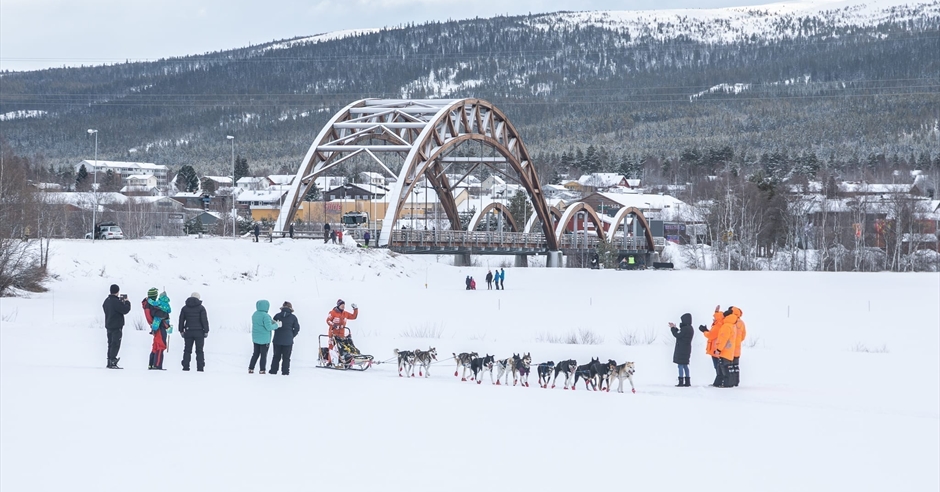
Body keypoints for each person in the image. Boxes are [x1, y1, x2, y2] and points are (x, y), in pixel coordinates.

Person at [178, 292, 209, 372]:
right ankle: (200, 368)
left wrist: (181, 330)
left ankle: (185, 367)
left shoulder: (184, 308)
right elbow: (204, 320)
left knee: (187, 350)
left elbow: (181, 320)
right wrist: (206, 331)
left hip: (188, 331)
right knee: (199, 351)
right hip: (199, 332)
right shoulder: (201, 308)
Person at [102, 284, 131, 369]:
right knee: (115, 343)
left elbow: (105, 308)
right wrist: (127, 302)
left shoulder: (107, 300)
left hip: (109, 324)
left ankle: (109, 360)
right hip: (117, 325)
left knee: (110, 343)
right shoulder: (116, 302)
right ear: (118, 292)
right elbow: (125, 310)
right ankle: (113, 361)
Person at [144, 288, 172, 370]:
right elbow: (168, 311)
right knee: (160, 346)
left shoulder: (155, 304)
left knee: (156, 346)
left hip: (158, 326)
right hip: (161, 327)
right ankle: (157, 364)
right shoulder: (164, 305)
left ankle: (151, 364)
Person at [325, 299, 358, 367]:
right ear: (338, 305)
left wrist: (355, 309)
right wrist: (333, 325)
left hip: (341, 334)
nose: (343, 306)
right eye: (342, 305)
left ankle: (345, 360)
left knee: (343, 347)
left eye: (344, 305)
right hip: (333, 333)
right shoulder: (332, 312)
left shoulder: (345, 313)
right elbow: (328, 320)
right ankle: (330, 361)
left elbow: (353, 316)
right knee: (332, 347)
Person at [271, 301, 300, 375]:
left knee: (276, 356)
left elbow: (273, 325)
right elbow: (297, 328)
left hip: (277, 339)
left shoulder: (277, 316)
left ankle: (273, 371)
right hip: (288, 341)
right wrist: (291, 335)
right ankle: (285, 372)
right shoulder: (293, 317)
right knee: (286, 358)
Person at [713, 306, 740, 388]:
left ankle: (727, 384)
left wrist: (718, 349)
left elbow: (723, 339)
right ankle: (730, 383)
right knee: (729, 367)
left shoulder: (726, 326)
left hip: (725, 350)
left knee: (725, 367)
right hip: (730, 350)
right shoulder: (733, 325)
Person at [250, 300, 277, 374]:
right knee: (263, 355)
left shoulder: (255, 314)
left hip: (255, 338)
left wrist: (272, 321)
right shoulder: (266, 316)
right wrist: (277, 325)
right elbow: (268, 327)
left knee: (255, 354)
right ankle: (262, 370)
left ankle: (251, 368)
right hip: (264, 339)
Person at [699, 305, 724, 386]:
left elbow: (711, 335)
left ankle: (718, 381)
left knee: (717, 367)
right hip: (716, 349)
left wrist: (704, 331)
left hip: (715, 349)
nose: (713, 319)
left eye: (715, 317)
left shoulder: (718, 326)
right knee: (718, 366)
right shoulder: (719, 325)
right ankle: (719, 380)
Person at [669, 313, 694, 387]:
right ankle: (687, 381)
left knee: (680, 365)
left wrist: (673, 328)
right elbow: (680, 333)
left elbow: (677, 335)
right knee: (685, 365)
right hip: (687, 349)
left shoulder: (685, 329)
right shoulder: (690, 328)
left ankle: (681, 381)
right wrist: (676, 328)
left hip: (681, 349)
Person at [730, 307, 746, 387]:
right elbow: (743, 336)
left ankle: (730, 381)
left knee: (729, 366)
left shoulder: (731, 321)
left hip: (729, 348)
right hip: (737, 348)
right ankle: (736, 381)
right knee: (736, 366)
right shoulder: (742, 323)